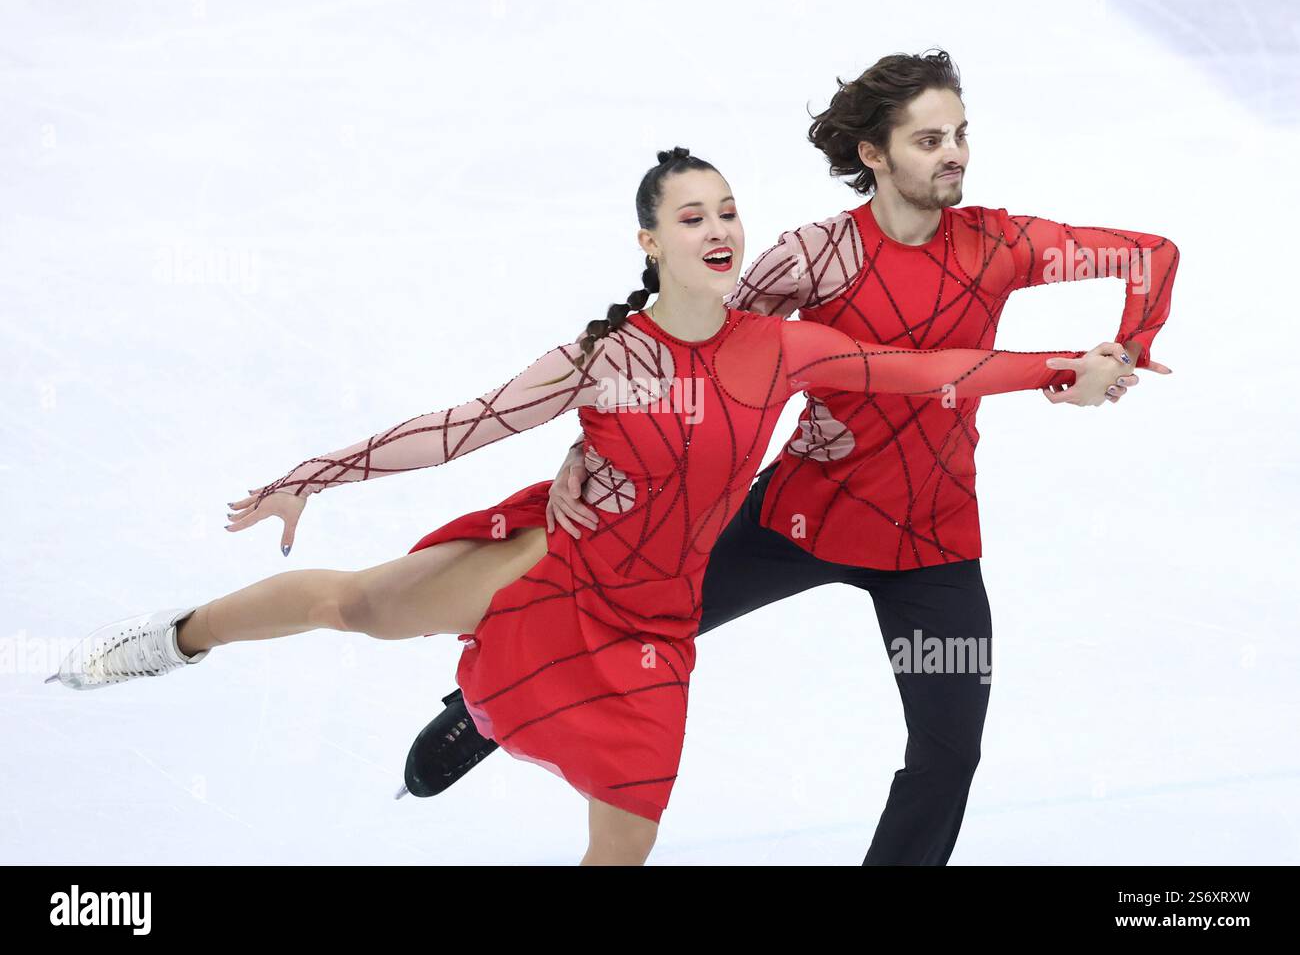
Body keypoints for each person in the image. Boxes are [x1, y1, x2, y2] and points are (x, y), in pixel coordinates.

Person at [48, 146, 1130, 866]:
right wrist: (316, 476)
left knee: (623, 844)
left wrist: (1054, 367)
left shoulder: (786, 346)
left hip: (655, 631)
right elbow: (459, 425)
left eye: (727, 210)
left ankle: (473, 711)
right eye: (690, 215)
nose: (718, 227)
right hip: (552, 569)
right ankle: (170, 637)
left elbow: (920, 370)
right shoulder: (606, 355)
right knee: (360, 604)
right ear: (650, 241)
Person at [398, 49, 1180, 866]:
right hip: (799, 516)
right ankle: (481, 710)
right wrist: (586, 445)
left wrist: (1124, 352)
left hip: (934, 542)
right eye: (927, 139)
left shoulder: (1003, 244)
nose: (953, 153)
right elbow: (691, 354)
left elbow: (1151, 254)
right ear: (873, 155)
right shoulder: (815, 256)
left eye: (959, 134)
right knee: (610, 619)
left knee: (948, 754)